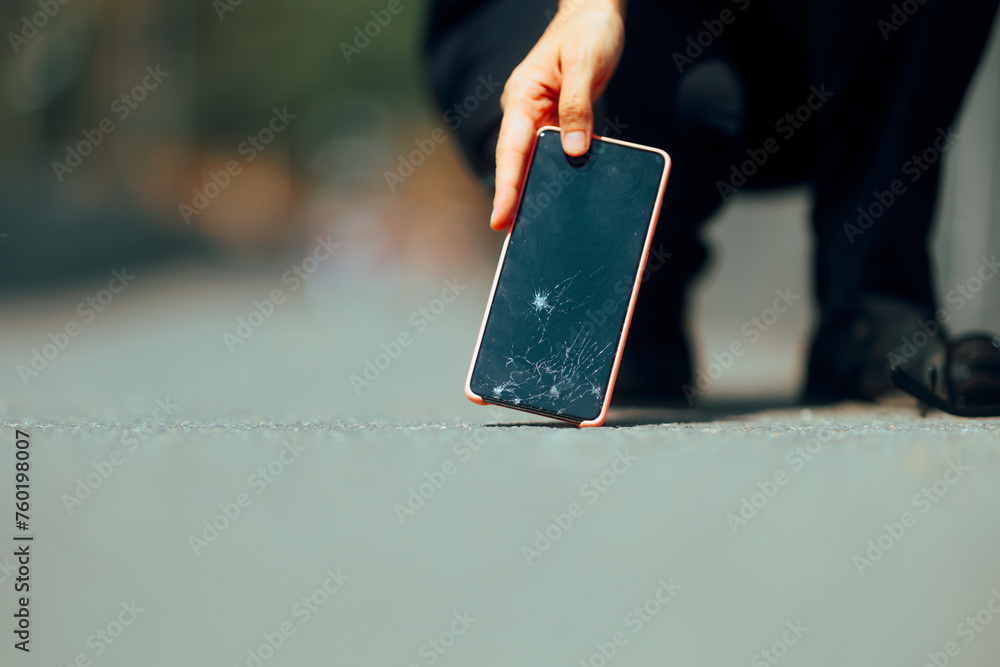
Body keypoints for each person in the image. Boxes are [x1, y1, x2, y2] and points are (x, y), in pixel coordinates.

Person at [424, 0, 1000, 407]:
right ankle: (629, 311)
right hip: (551, 23)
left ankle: (869, 307)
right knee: (626, 92)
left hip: (791, 54)